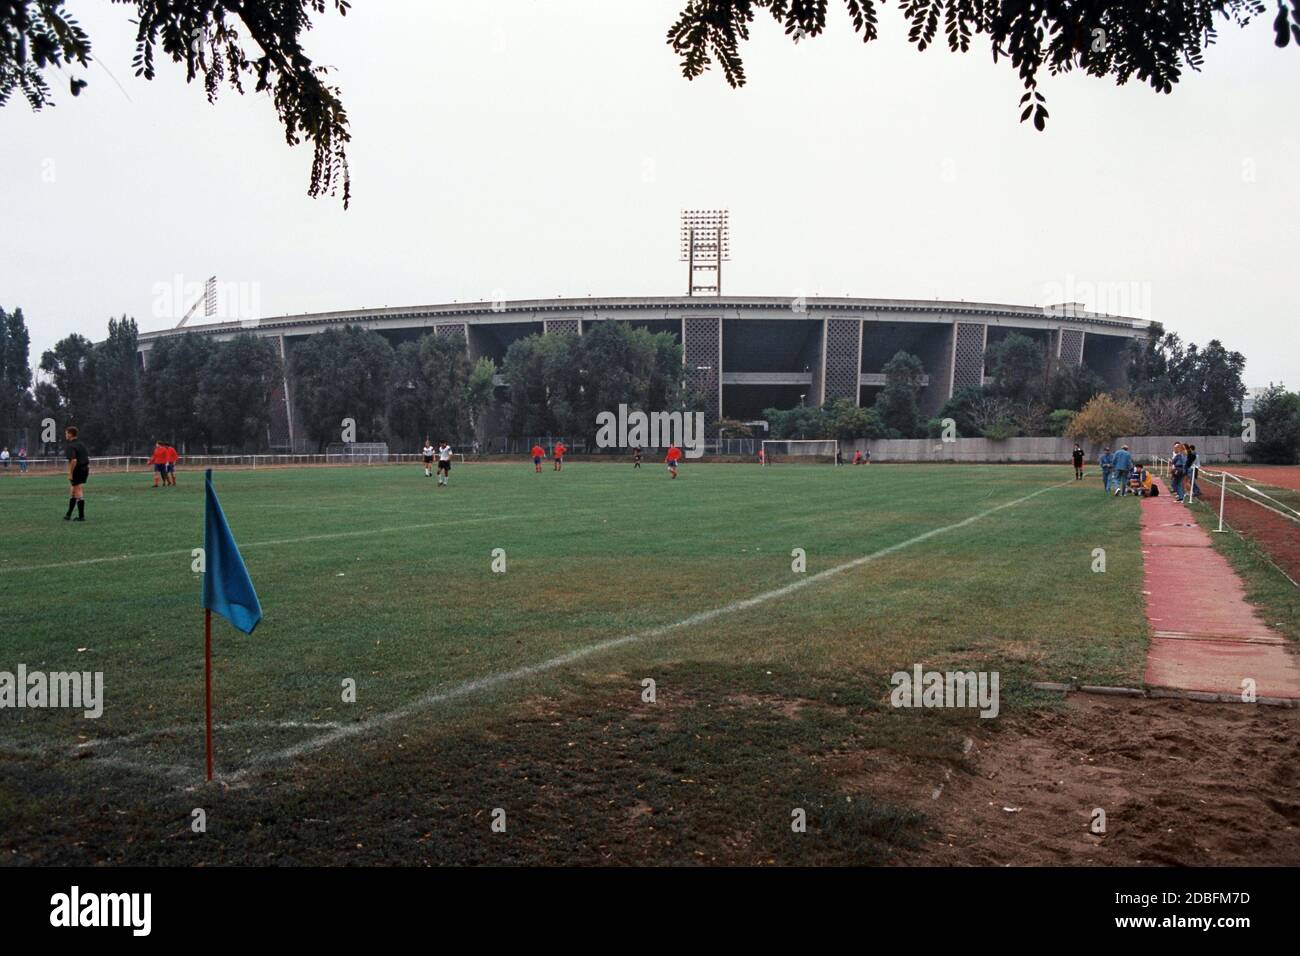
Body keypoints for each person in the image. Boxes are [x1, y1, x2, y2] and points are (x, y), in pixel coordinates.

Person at [64, 426, 89, 521]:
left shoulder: (71, 446)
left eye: (66, 433)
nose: (65, 435)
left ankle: (81, 516)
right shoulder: (81, 444)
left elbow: (73, 460)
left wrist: (70, 473)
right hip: (85, 468)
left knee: (77, 490)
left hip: (77, 470)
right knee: (73, 491)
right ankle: (68, 514)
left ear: (70, 434)